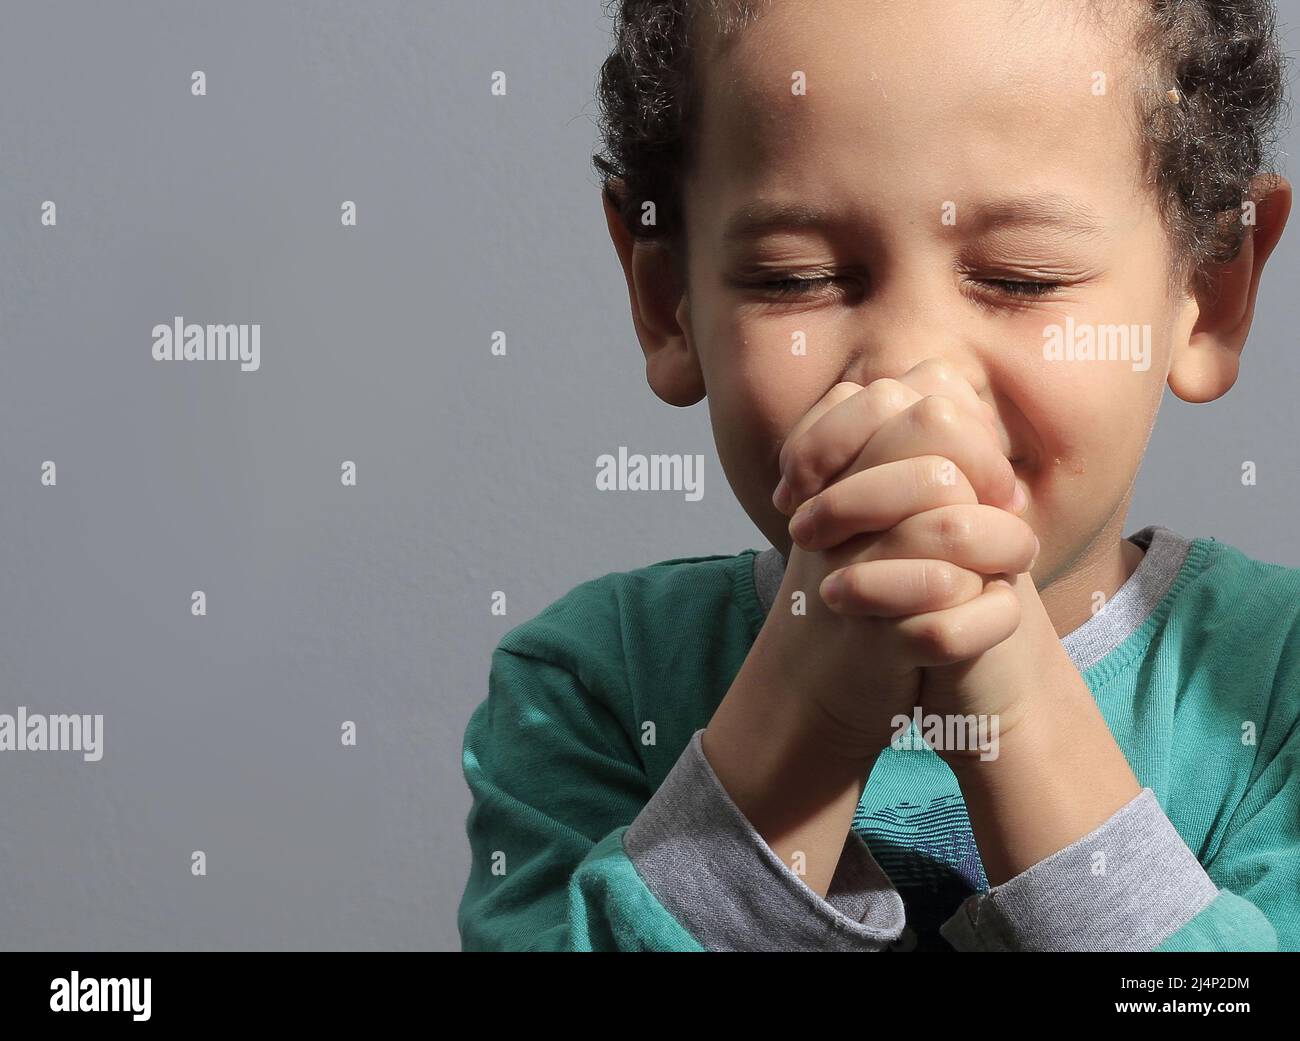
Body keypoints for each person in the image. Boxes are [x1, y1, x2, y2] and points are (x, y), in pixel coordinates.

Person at [459, 0, 1298, 951]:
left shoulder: (1269, 693)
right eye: (796, 277)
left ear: (1212, 285)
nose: (913, 377)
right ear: (668, 298)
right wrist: (807, 720)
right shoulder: (588, 688)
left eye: (1021, 277)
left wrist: (1018, 715)